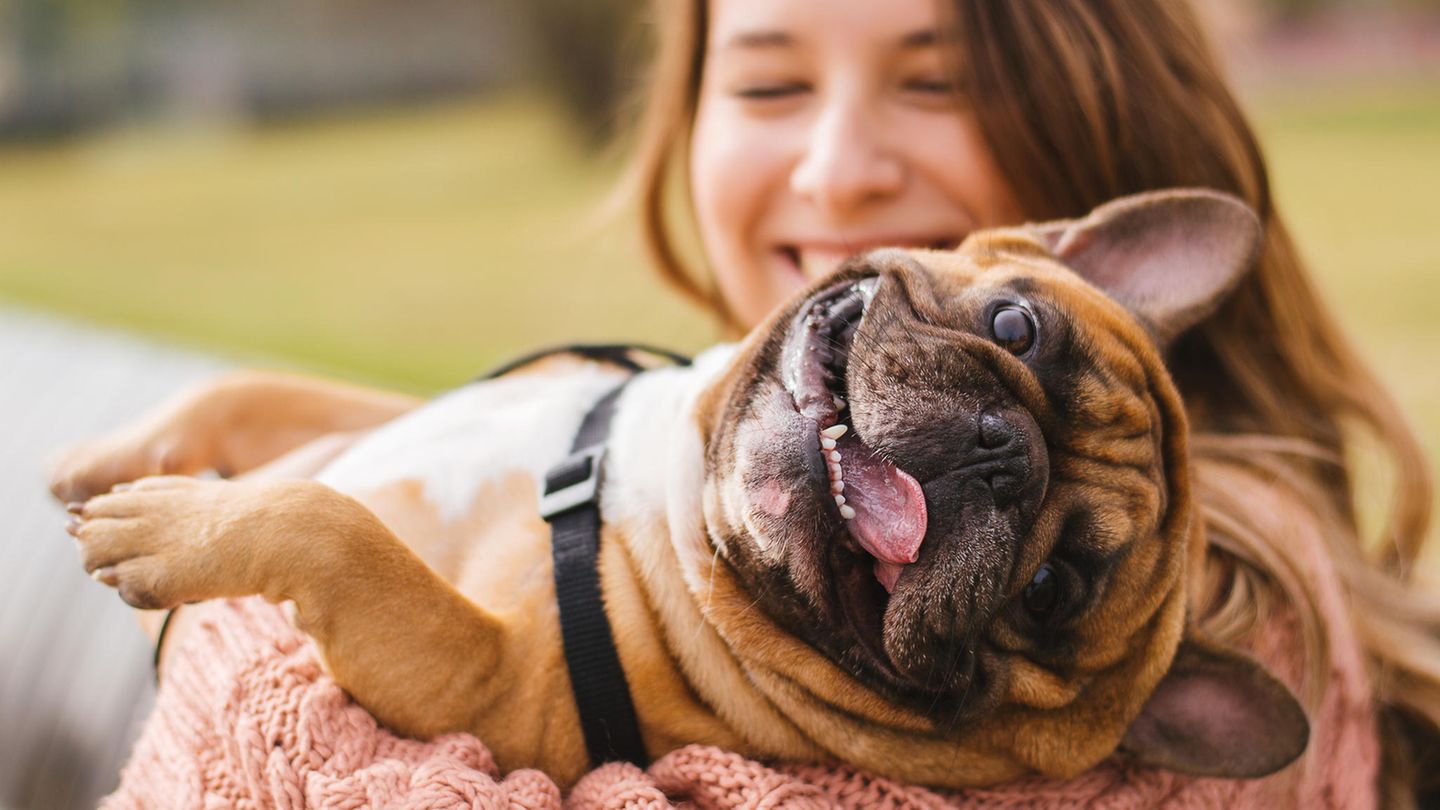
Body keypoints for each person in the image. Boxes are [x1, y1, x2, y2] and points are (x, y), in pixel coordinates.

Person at [69, 0, 1439, 806]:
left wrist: (236, 610)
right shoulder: (726, 435)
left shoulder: (1237, 594)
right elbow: (513, 460)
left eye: (933, 82)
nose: (839, 169)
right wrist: (280, 426)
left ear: (1100, 140)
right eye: (772, 80)